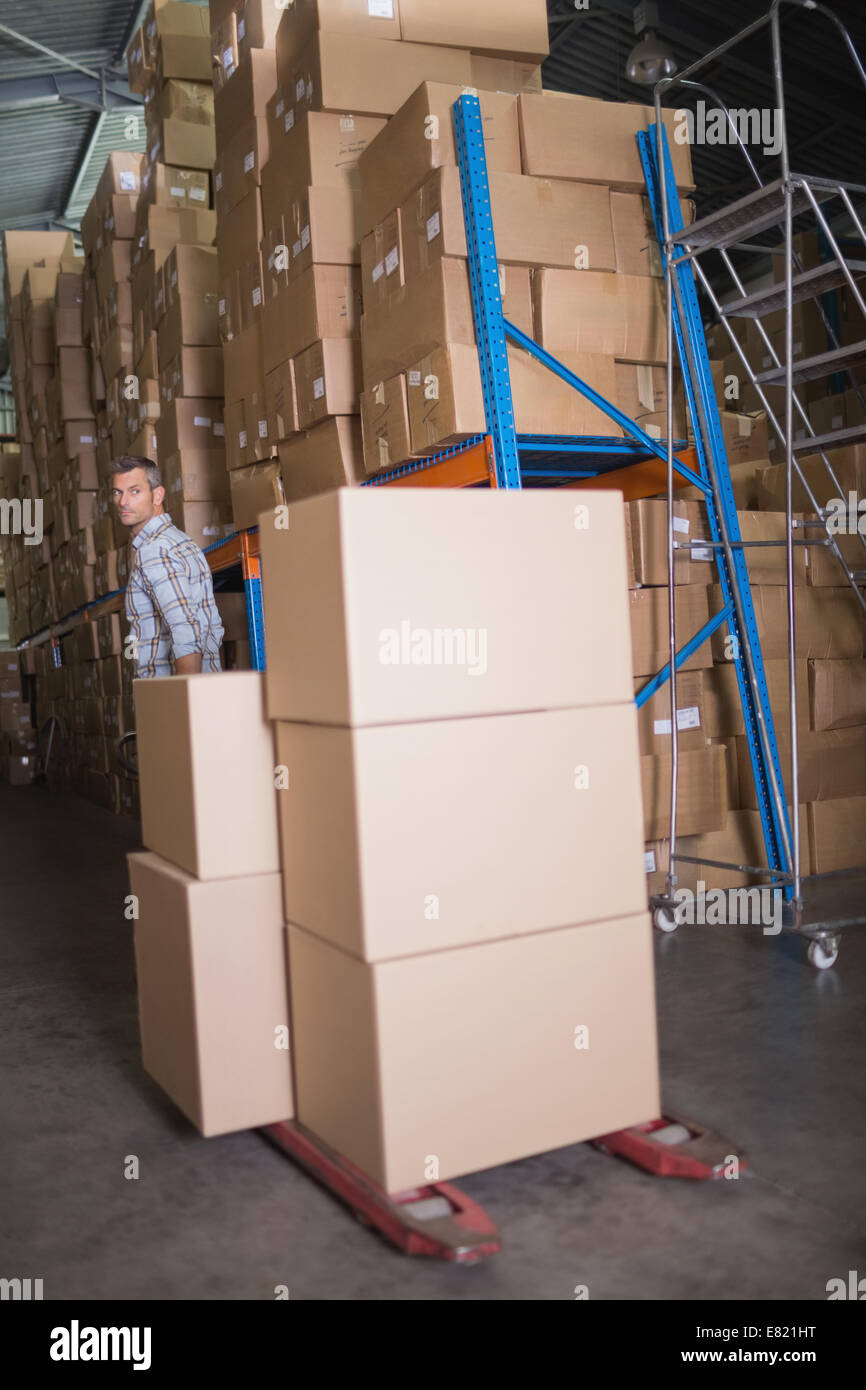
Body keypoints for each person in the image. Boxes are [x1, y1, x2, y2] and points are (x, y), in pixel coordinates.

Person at [112, 455, 224, 679]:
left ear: (157, 495)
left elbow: (185, 628)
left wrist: (182, 704)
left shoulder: (154, 550)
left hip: (170, 699)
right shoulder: (182, 541)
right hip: (201, 691)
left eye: (135, 491)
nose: (123, 501)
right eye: (117, 492)